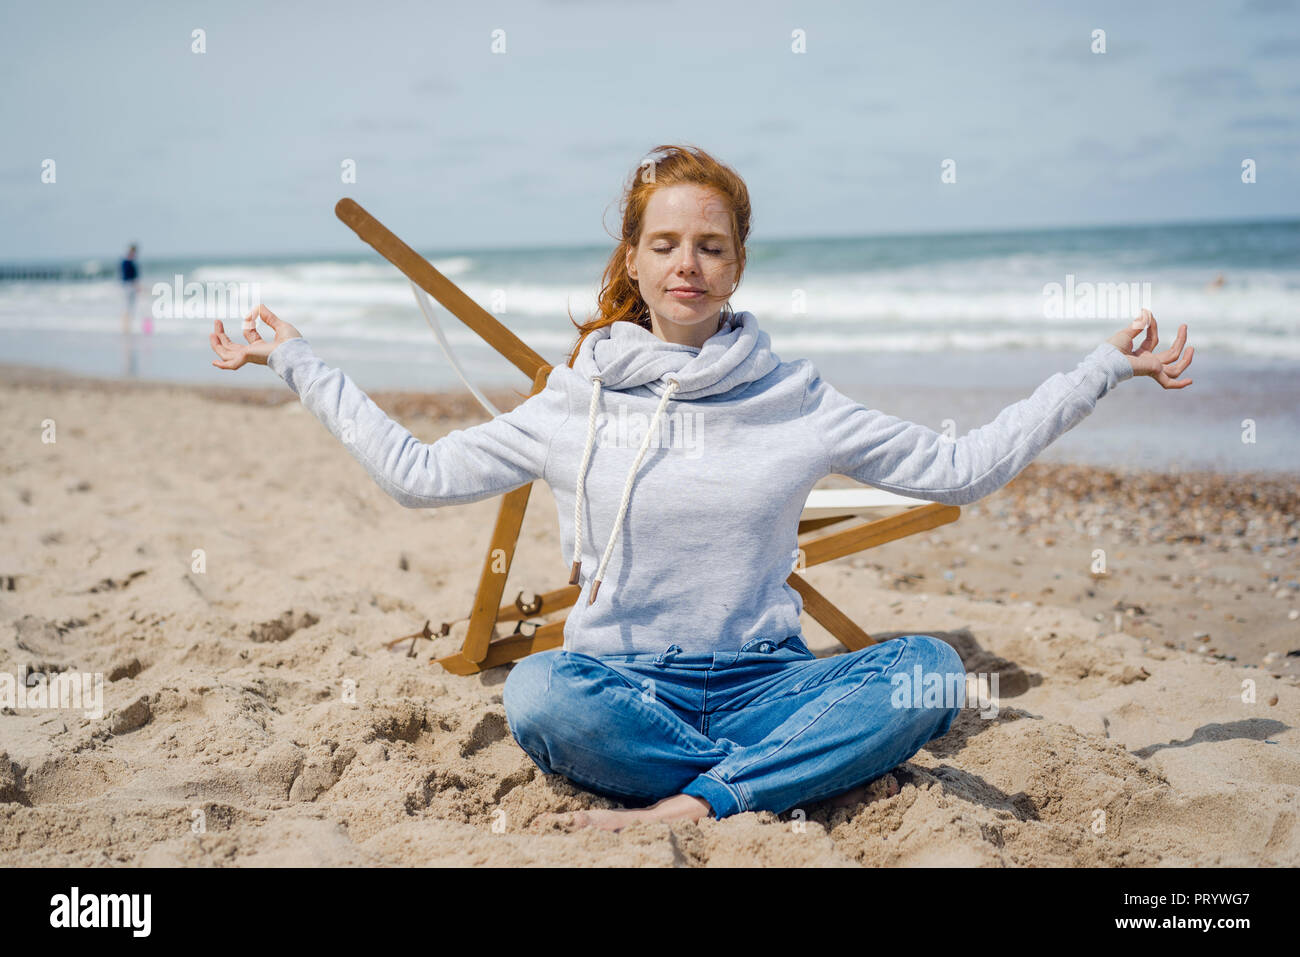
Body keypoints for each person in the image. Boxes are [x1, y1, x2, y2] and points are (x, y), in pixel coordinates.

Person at [207, 144, 1194, 833]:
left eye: (711, 246)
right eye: (666, 244)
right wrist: (298, 359)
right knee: (540, 693)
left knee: (931, 671)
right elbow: (417, 477)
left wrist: (1100, 369)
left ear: (736, 265)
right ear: (632, 261)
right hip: (626, 689)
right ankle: (766, 783)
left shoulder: (796, 400)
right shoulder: (572, 401)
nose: (688, 263)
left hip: (769, 682)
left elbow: (960, 468)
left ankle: (695, 799)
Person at [120, 243, 140, 334]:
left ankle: (127, 327)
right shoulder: (126, 262)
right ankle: (126, 327)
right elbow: (128, 277)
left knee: (130, 307)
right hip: (128, 287)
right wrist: (136, 286)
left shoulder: (130, 262)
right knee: (127, 307)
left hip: (129, 286)